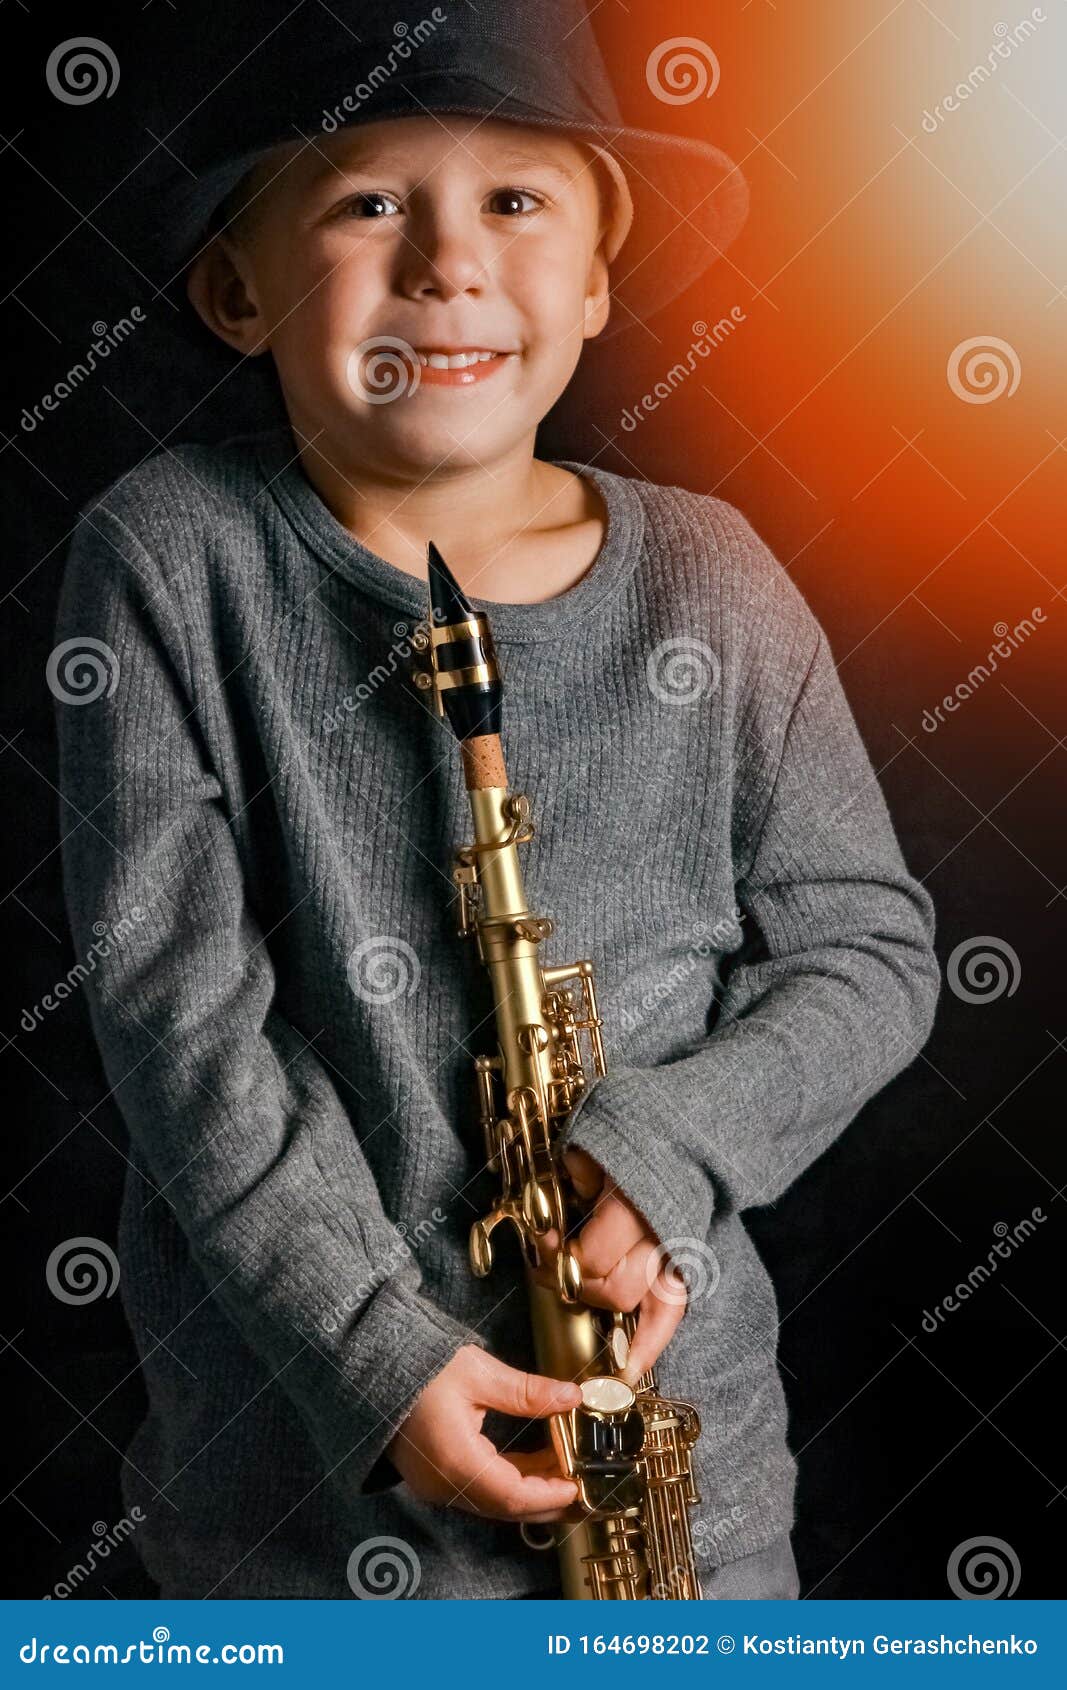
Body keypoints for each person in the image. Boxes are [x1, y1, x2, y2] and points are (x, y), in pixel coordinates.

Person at [53, 0, 939, 1600]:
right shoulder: (169, 553)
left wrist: (658, 1153)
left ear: (600, 272)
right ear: (237, 288)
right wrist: (372, 1349)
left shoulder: (715, 577)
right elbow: (176, 1007)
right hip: (296, 1520)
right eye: (366, 200)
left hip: (691, 1485)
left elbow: (869, 950)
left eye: (517, 200)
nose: (448, 262)